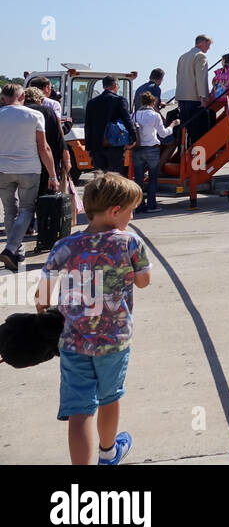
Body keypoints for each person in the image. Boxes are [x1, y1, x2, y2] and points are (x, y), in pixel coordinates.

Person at [36, 172, 151, 465]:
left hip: (73, 340)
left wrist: (46, 316)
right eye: (130, 211)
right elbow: (143, 282)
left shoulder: (66, 245)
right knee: (110, 398)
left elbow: (42, 295)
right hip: (114, 340)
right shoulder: (130, 243)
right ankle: (108, 452)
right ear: (115, 211)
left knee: (80, 410)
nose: (131, 216)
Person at [0, 83, 58, 271]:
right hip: (29, 168)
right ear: (23, 96)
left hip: (3, 169)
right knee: (26, 209)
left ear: (2, 99)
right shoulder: (35, 115)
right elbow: (44, 147)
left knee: (9, 210)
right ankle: (10, 249)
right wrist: (52, 174)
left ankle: (16, 250)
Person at [130, 92, 176, 213]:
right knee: (153, 178)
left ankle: (139, 205)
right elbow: (163, 134)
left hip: (137, 149)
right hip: (151, 149)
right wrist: (173, 125)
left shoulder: (133, 115)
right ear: (153, 102)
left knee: (138, 179)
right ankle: (151, 205)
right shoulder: (154, 115)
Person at [83, 76, 137, 176]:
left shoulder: (91, 103)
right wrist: (133, 137)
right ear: (115, 85)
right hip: (115, 144)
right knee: (114, 177)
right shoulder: (119, 100)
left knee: (99, 178)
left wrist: (88, 147)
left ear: (103, 86)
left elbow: (88, 125)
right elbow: (127, 120)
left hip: (97, 146)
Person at [25, 87, 69, 205]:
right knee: (44, 193)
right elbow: (58, 136)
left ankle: (27, 219)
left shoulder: (18, 111)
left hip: (24, 159)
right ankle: (42, 218)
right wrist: (65, 157)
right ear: (40, 98)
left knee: (25, 197)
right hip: (46, 160)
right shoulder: (47, 111)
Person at [175, 35, 213, 148]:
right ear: (202, 43)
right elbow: (201, 78)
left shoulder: (183, 57)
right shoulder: (200, 56)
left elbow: (178, 77)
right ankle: (195, 155)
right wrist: (203, 98)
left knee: (185, 129)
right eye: (208, 45)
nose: (209, 48)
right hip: (194, 98)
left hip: (182, 97)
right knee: (196, 131)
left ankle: (184, 152)